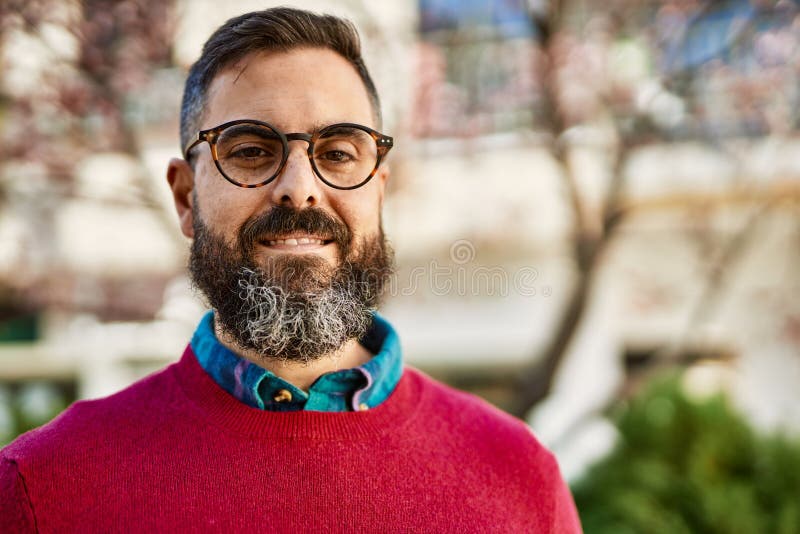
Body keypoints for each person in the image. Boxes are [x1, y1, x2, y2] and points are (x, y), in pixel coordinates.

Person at [0, 7, 581, 532]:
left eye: (337, 153)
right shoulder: (40, 488)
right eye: (251, 150)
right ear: (184, 197)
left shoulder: (522, 479)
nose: (300, 190)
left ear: (379, 192)